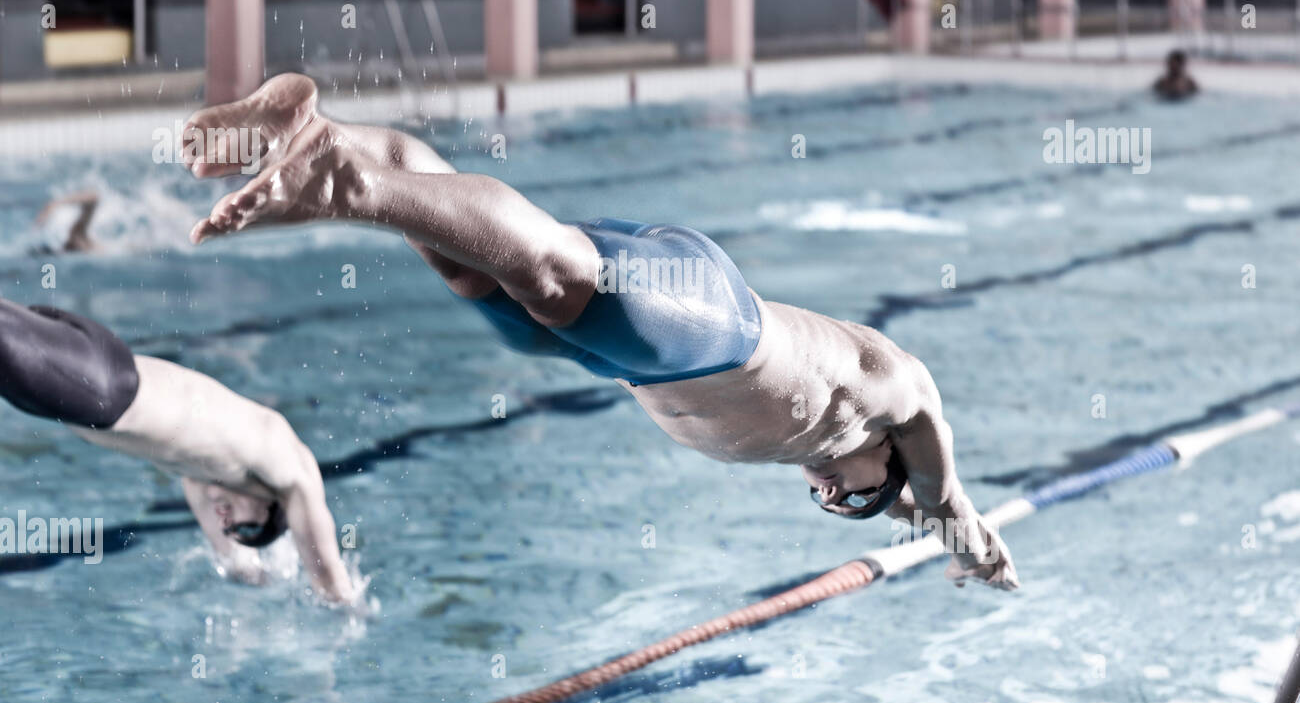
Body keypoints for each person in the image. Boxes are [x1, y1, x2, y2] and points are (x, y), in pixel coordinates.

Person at [180, 73, 1019, 591]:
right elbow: (941, 497)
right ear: (891, 453)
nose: (834, 495)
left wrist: (910, 518)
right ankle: (344, 180)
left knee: (469, 268)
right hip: (714, 325)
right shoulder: (894, 395)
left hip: (625, 356)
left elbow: (908, 503)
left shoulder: (839, 450)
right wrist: (982, 552)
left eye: (836, 508)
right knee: (553, 277)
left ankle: (321, 137)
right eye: (862, 492)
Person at [0, 296, 356, 602]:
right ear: (269, 505)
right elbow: (327, 576)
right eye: (247, 530)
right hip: (100, 385)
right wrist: (349, 610)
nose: (230, 530)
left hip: (74, 395)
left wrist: (255, 577)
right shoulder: (284, 460)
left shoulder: (201, 474)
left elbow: (235, 562)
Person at [34, 190, 100, 253]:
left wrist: (55, 204)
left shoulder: (79, 240)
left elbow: (93, 197)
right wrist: (55, 204)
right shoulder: (79, 239)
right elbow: (93, 197)